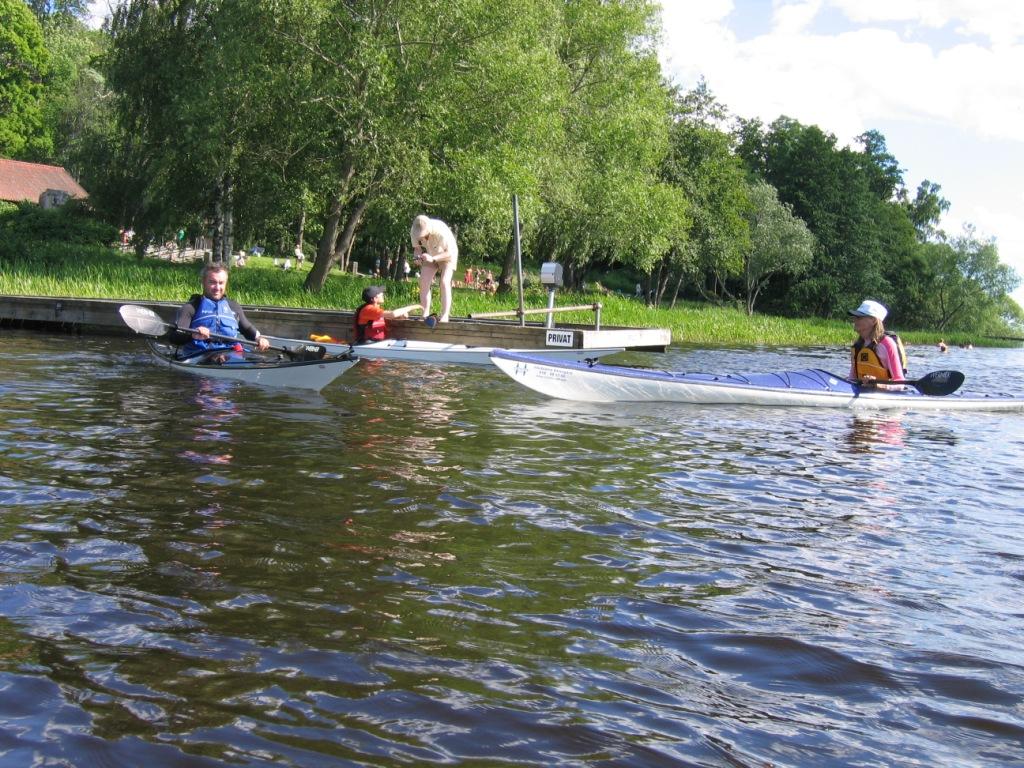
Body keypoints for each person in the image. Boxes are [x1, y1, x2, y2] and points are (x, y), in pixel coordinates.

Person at [174, 263, 270, 361]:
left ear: (226, 284)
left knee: (259, 361)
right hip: (199, 356)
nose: (217, 287)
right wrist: (192, 334)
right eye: (212, 282)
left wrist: (259, 338)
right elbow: (175, 337)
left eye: (221, 283)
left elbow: (247, 328)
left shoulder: (234, 307)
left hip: (230, 355)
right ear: (203, 282)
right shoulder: (190, 308)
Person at [410, 214, 458, 322]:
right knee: (423, 281)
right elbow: (417, 248)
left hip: (447, 254)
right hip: (430, 254)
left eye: (423, 235)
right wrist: (416, 258)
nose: (421, 237)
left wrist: (433, 258)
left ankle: (445, 315)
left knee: (444, 282)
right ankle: (425, 313)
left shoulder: (441, 231)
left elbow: (449, 253)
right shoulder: (414, 230)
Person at [848, 299, 905, 383]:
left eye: (859, 317)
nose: (855, 320)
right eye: (855, 317)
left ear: (873, 320)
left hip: (884, 394)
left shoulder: (887, 344)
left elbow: (900, 382)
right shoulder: (857, 346)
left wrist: (877, 385)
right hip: (862, 392)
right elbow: (851, 379)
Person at [353, 286, 422, 343]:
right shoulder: (368, 309)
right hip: (367, 344)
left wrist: (400, 316)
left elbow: (388, 316)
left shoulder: (374, 308)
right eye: (380, 293)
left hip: (376, 343)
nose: (383, 294)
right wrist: (413, 307)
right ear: (374, 299)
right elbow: (393, 314)